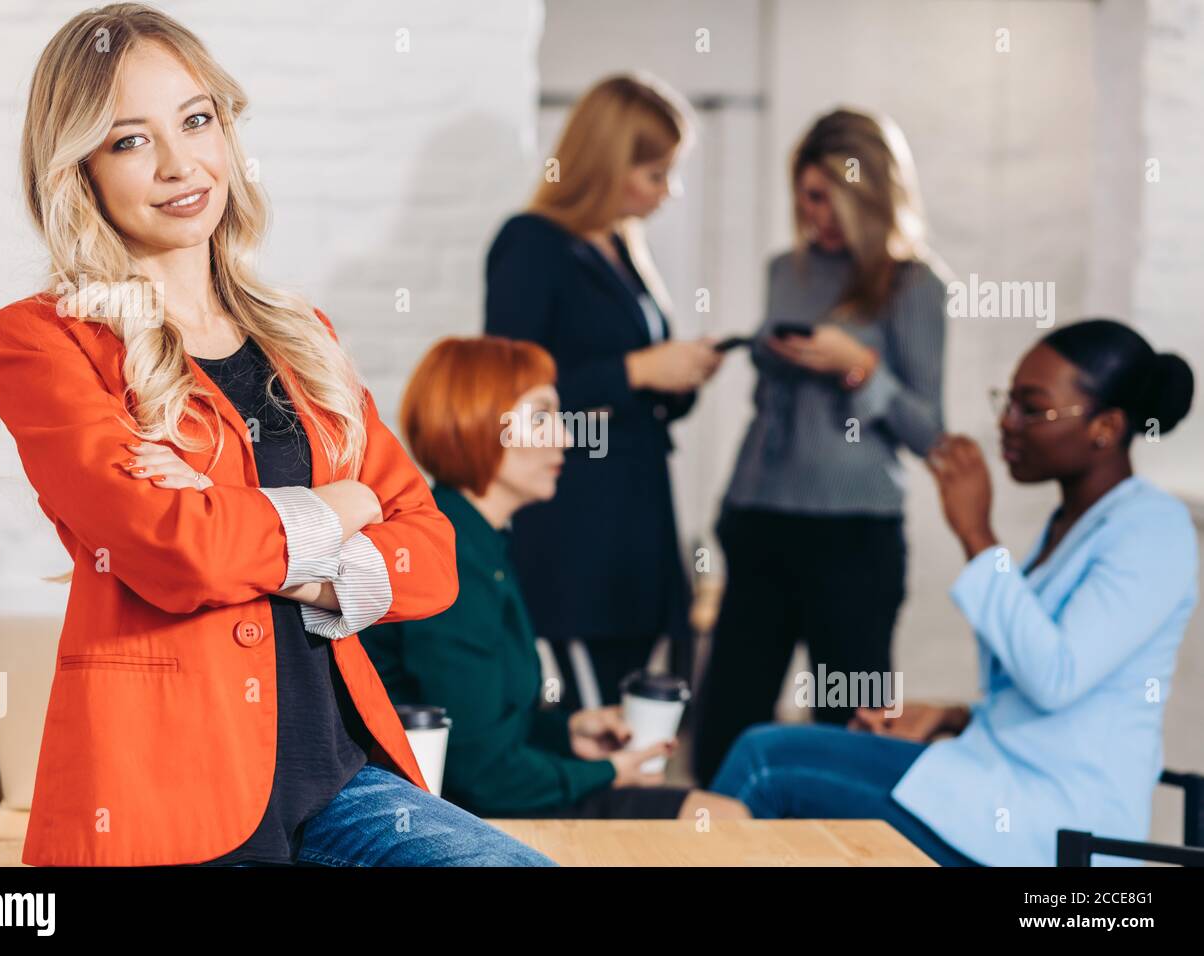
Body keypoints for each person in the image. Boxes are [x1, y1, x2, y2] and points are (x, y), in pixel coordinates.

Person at [0, 3, 553, 867]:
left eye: (197, 120)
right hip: (167, 797)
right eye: (130, 140)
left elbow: (430, 557)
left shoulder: (303, 336)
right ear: (79, 170)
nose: (180, 164)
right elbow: (175, 552)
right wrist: (341, 507)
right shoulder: (40, 340)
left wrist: (253, 531)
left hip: (340, 779)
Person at [708, 319, 1197, 867]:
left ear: (1105, 426)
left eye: (1030, 409)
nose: (1005, 425)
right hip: (994, 783)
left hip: (1058, 828)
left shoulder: (1153, 531)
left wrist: (975, 534)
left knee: (767, 773)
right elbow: (1049, 692)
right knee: (759, 749)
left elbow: (1056, 677)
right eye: (1006, 402)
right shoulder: (1072, 522)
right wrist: (951, 717)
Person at [362, 337, 749, 822]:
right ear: (480, 420)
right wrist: (610, 772)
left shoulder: (479, 540)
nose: (564, 438)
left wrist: (568, 732)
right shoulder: (453, 554)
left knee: (730, 806)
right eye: (541, 416)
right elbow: (482, 774)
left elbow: (483, 727)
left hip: (488, 795)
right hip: (465, 813)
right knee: (722, 818)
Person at [691, 108, 949, 785]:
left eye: (833, 199)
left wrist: (858, 366)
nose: (818, 215)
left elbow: (929, 430)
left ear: (871, 196)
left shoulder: (915, 286)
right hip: (760, 517)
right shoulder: (787, 270)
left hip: (854, 537)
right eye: (807, 196)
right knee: (727, 720)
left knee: (851, 726)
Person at [484, 73, 723, 710]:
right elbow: (511, 387)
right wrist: (639, 371)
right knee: (590, 716)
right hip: (577, 528)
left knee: (634, 713)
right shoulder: (531, 244)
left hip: (636, 519)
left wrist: (679, 377)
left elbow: (634, 394)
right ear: (608, 164)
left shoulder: (622, 247)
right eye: (654, 174)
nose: (667, 192)